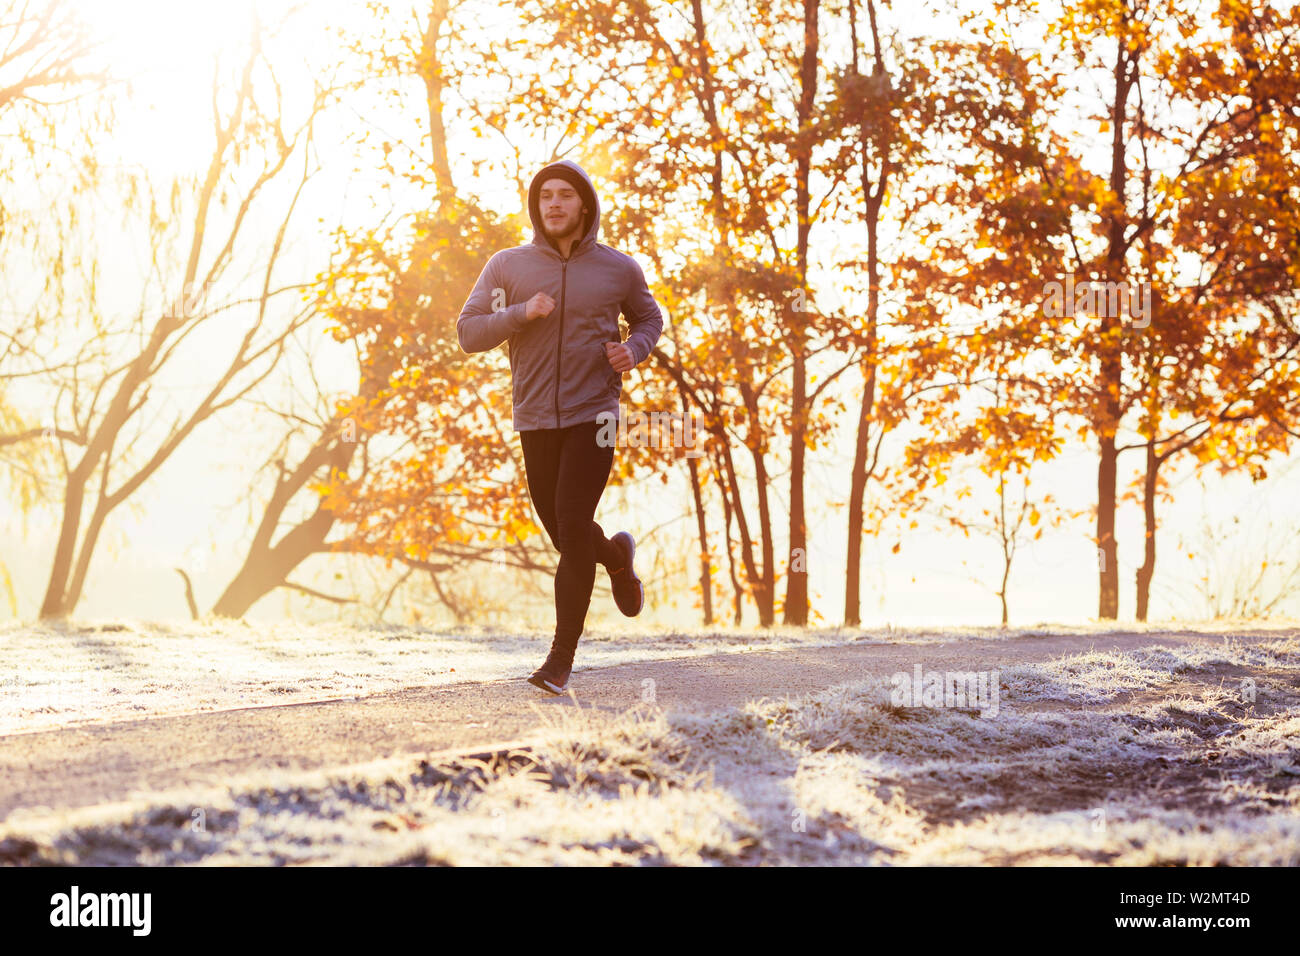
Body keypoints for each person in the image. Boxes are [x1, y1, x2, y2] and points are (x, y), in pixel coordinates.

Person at [456, 159, 664, 694]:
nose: (554, 204)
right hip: (534, 416)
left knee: (573, 523)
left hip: (594, 413)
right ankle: (617, 556)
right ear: (536, 205)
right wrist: (521, 313)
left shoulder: (618, 269)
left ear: (584, 205)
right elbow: (469, 333)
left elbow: (649, 318)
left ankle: (558, 662)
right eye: (545, 195)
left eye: (565, 195)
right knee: (563, 532)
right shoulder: (508, 266)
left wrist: (633, 350)